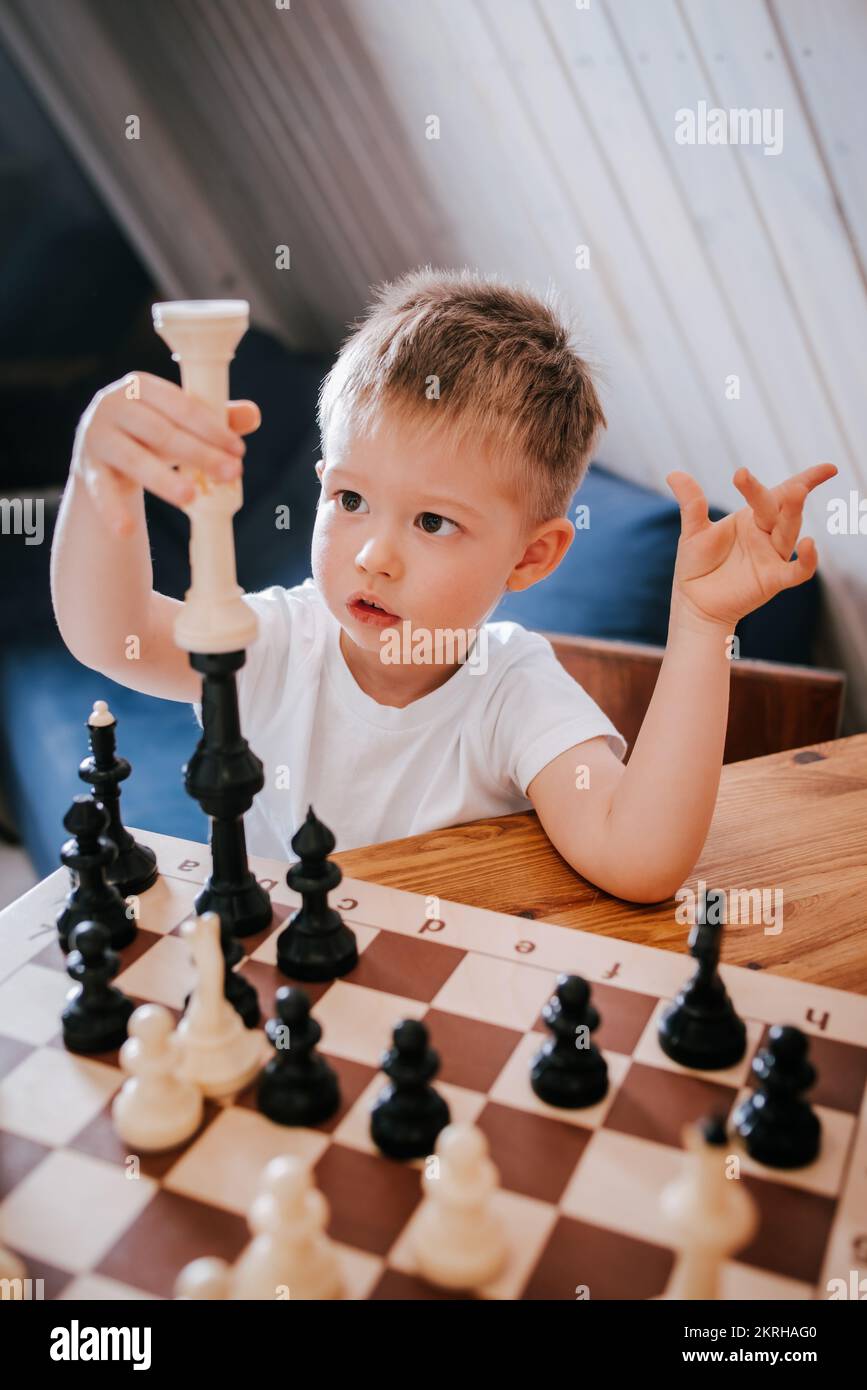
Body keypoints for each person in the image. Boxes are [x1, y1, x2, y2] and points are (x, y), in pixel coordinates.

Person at [50, 267, 836, 901]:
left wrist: (699, 625)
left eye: (432, 523)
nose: (373, 557)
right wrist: (96, 474)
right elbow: (110, 636)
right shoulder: (279, 641)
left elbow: (639, 860)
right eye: (350, 501)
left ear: (531, 558)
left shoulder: (514, 691)